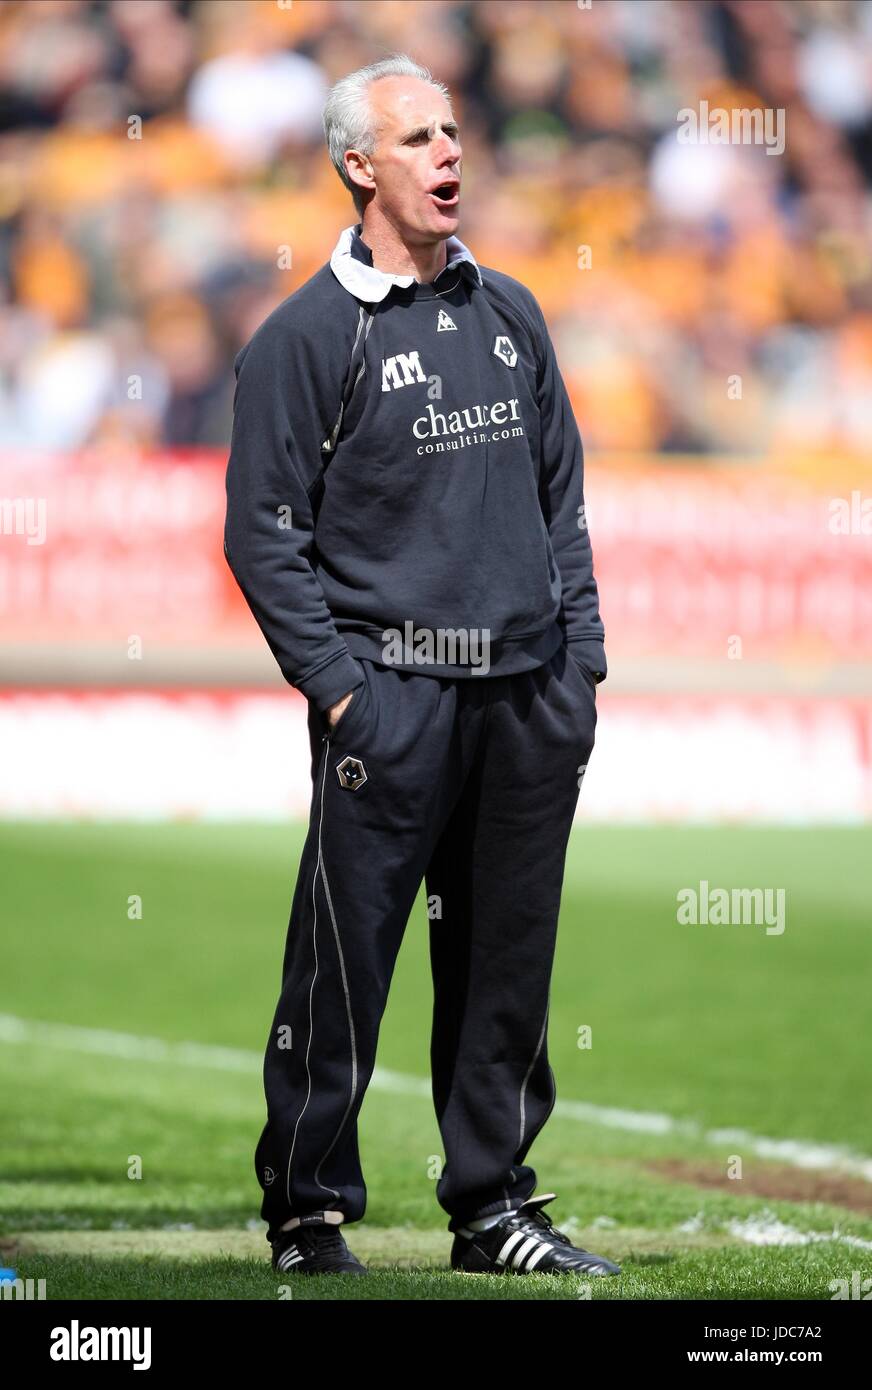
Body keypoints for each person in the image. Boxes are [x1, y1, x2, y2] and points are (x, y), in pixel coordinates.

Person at [223, 53, 619, 1280]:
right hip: (390, 696)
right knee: (342, 966)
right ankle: (306, 1210)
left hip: (526, 694)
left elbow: (561, 498)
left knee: (505, 967)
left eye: (453, 132)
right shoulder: (303, 337)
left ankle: (491, 1206)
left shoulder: (509, 313)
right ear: (357, 167)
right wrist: (342, 689)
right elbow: (262, 533)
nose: (450, 154)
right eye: (417, 139)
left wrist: (580, 664)